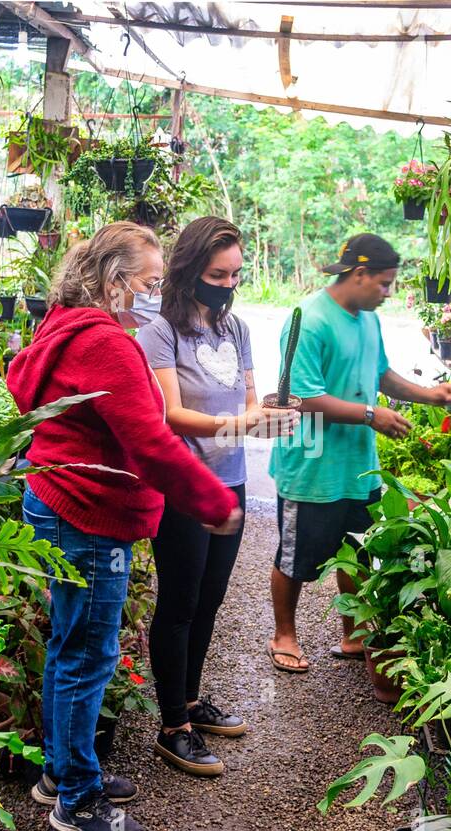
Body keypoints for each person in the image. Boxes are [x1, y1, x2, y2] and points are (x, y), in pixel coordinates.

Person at [6, 221, 243, 831]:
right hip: (88, 512)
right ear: (114, 284)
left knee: (69, 645)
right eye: (149, 282)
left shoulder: (64, 322)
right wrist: (211, 500)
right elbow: (150, 440)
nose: (154, 292)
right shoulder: (107, 343)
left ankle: (62, 773)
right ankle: (77, 800)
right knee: (88, 655)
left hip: (57, 497)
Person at [135, 217, 298, 777]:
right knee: (178, 603)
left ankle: (192, 699)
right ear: (188, 271)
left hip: (230, 479)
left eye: (235, 275)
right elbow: (172, 415)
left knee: (209, 601)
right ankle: (172, 725)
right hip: (183, 485)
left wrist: (270, 417)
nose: (228, 285)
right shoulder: (159, 332)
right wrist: (245, 423)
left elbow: (250, 404)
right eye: (216, 274)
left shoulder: (238, 331)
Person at [267, 234, 451, 672]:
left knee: (358, 551)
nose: (388, 293)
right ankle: (284, 635)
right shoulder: (310, 320)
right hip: (312, 468)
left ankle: (353, 635)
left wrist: (429, 396)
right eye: (384, 284)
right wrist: (371, 416)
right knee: (296, 558)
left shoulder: (366, 319)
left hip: (359, 469)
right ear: (358, 274)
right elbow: (302, 397)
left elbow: (381, 373)